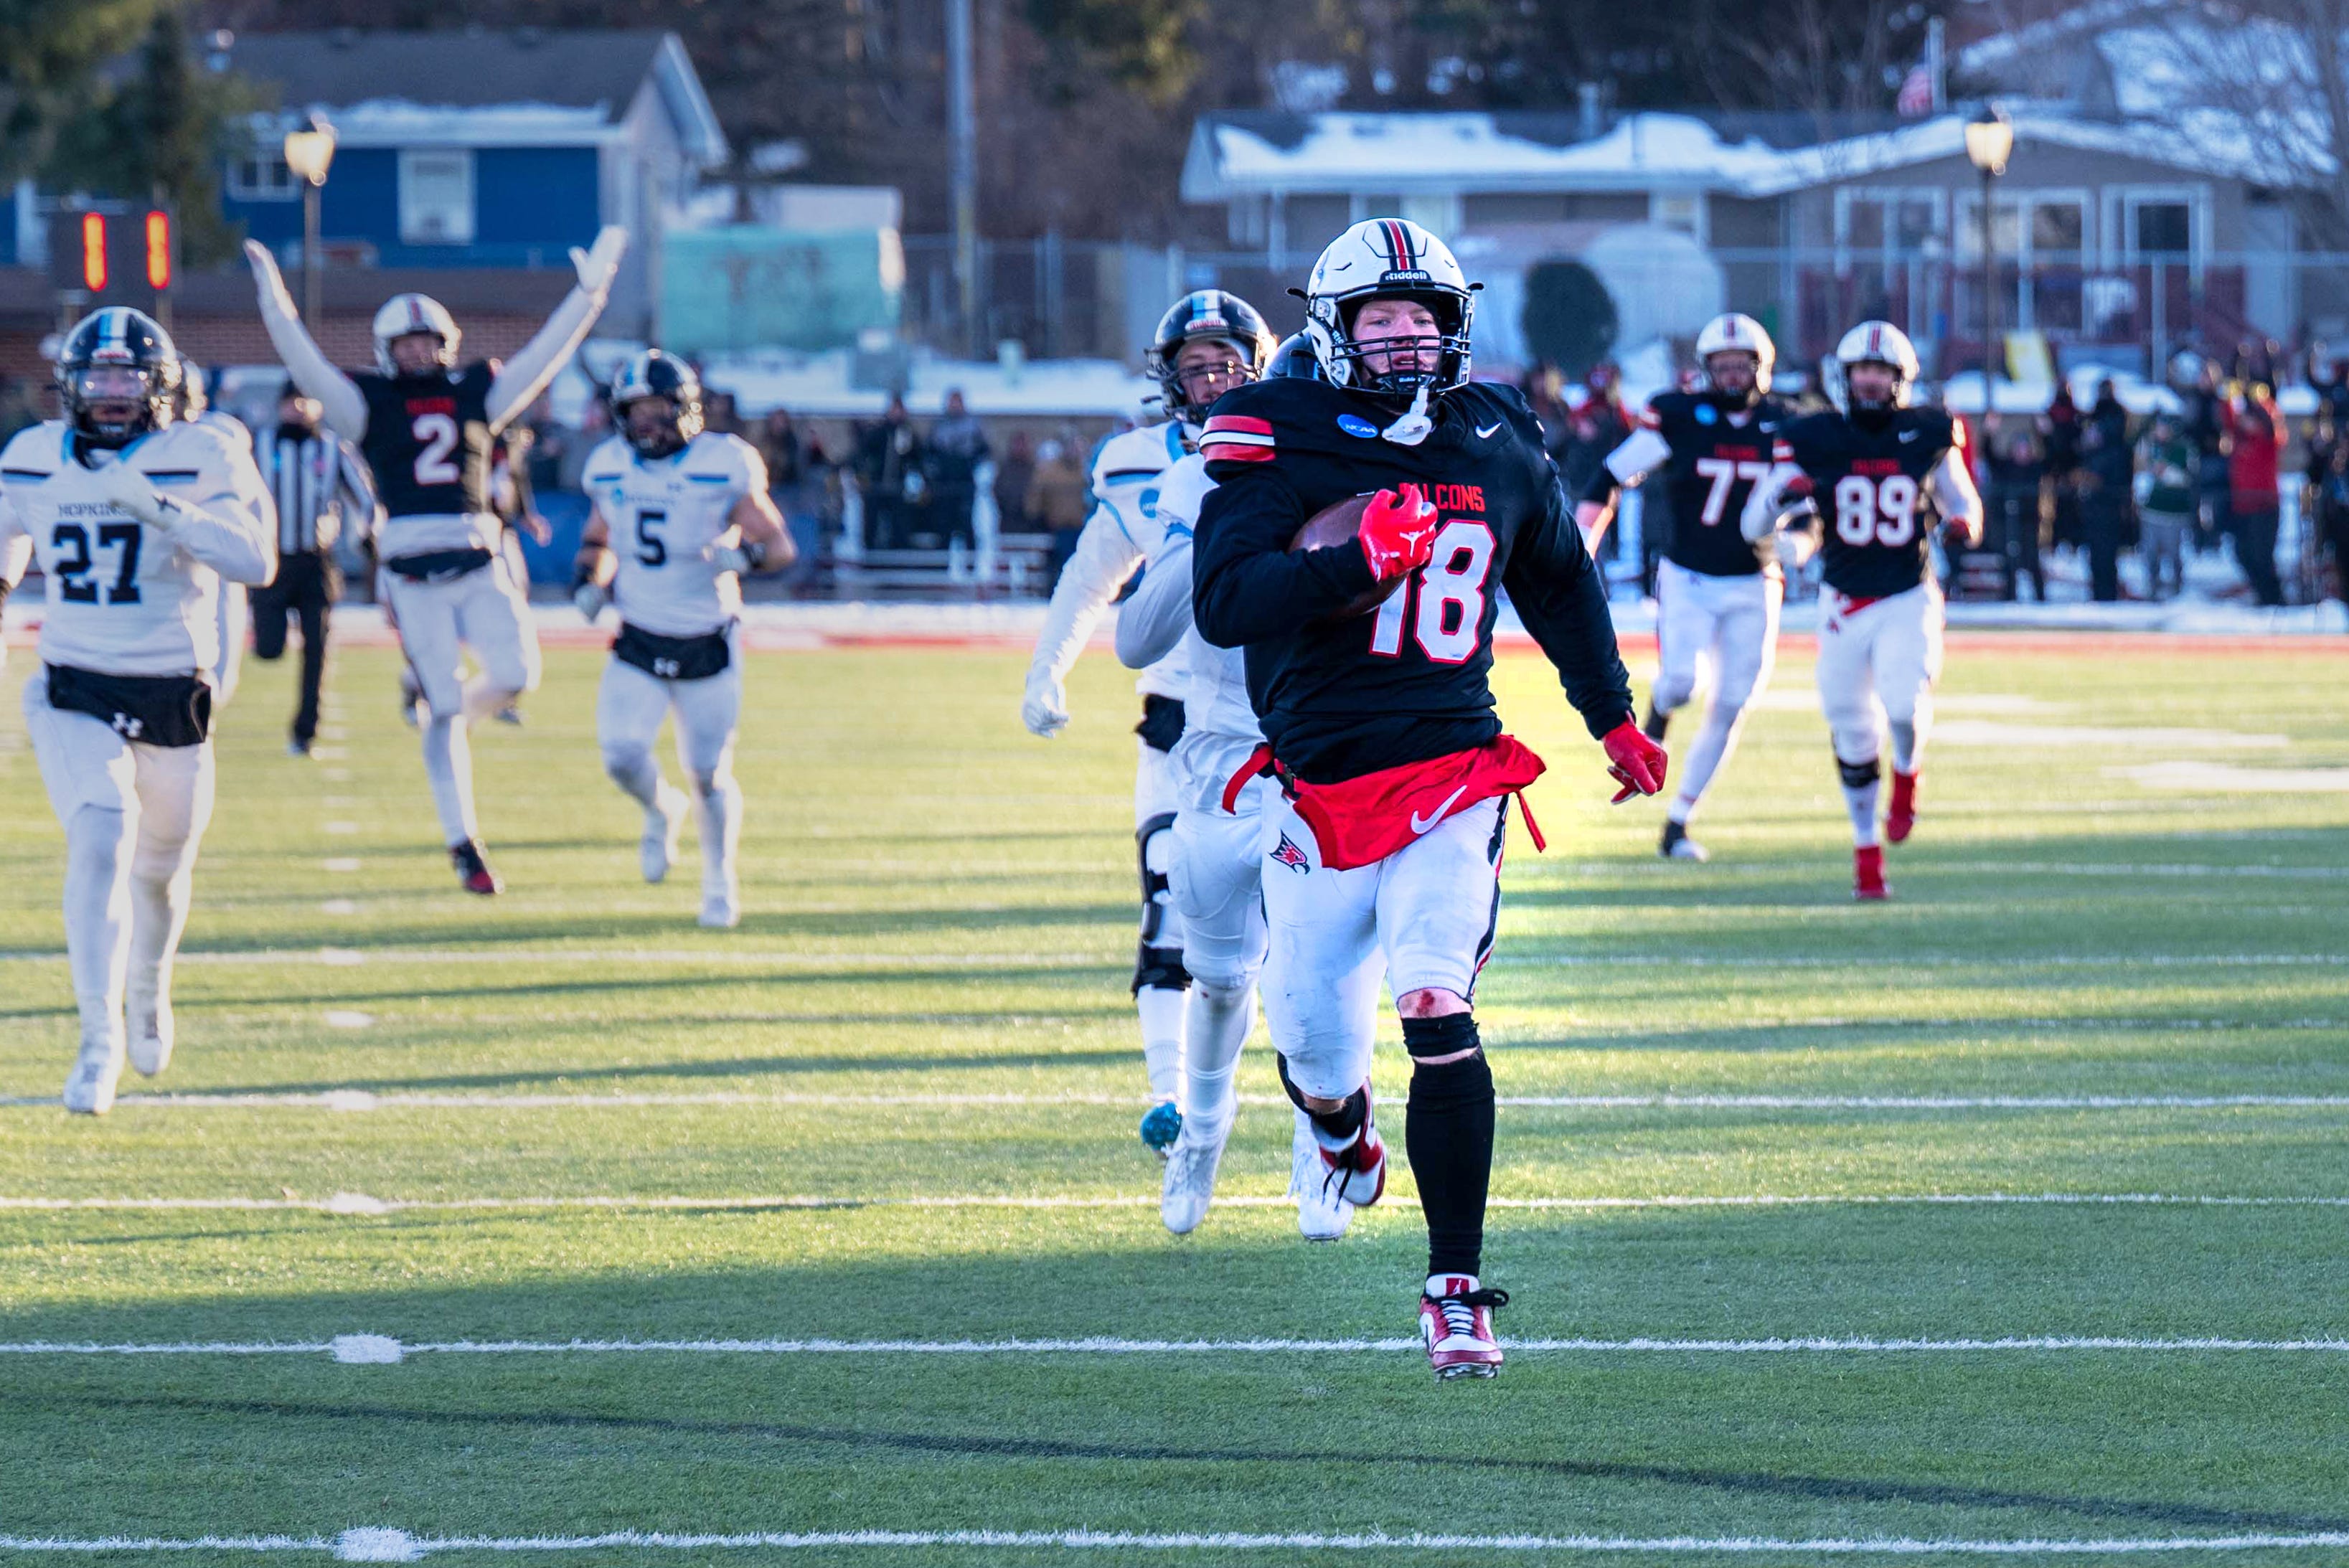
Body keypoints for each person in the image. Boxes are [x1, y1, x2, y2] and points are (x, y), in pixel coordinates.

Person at [1192, 219, 1663, 1379]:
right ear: (1334, 330)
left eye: (1422, 321)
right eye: (1380, 323)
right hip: (1315, 790)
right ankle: (1340, 1137)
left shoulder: (1495, 435)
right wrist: (1353, 563)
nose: (1404, 343)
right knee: (1310, 1048)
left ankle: (1454, 1289)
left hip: (1452, 771)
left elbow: (1558, 574)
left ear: (1452, 330)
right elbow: (1223, 599)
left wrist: (1609, 712)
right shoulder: (1278, 425)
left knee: (1431, 1000)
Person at [245, 226, 626, 894]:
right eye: (406, 343)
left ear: (445, 345)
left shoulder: (481, 392)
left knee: (516, 675)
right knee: (447, 707)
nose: (418, 352)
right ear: (387, 352)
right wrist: (276, 306)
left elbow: (544, 357)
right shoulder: (367, 404)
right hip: (412, 570)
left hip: (480, 558)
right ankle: (463, 842)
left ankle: (441, 718)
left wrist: (588, 298)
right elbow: (306, 365)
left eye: (427, 341)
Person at [0, 307, 276, 1114]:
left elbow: (255, 558)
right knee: (100, 833)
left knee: (160, 872)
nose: (112, 393)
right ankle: (97, 1039)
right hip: (75, 684)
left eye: (128, 377)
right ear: (72, 386)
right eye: (99, 377)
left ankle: (148, 987)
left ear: (159, 387)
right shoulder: (29, 456)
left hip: (171, 692)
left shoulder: (202, 453)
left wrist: (158, 506)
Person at [1112, 293, 1347, 1241]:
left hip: (1323, 764)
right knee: (1216, 980)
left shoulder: (1358, 487)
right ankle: (1202, 1134)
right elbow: (1136, 636)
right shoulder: (1198, 486)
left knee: (1316, 971)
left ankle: (1319, 1144)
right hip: (1215, 765)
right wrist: (1218, 520)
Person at [1022, 290, 1275, 1158]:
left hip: (1282, 722)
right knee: (1168, 906)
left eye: (1227, 364)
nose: (1211, 381)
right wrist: (1045, 668)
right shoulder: (1136, 464)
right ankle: (1171, 1097)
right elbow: (1091, 578)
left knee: (1293, 927)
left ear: (1259, 363)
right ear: (1169, 380)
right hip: (1177, 727)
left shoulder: (1298, 439)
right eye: (1196, 368)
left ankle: (1321, 1108)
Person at [1742, 321, 1981, 901]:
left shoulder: (1926, 429)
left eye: (1882, 371)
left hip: (1907, 592)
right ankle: (1865, 854)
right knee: (1851, 731)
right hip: (1843, 599)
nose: (1871, 380)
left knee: (1903, 706)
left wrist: (1963, 522)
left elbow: (1962, 496)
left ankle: (1907, 774)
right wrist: (1781, 496)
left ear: (1901, 380)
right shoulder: (1813, 436)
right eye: (1862, 371)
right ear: (1845, 378)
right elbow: (1753, 527)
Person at [574, 351, 793, 929]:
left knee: (708, 773)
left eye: (656, 409)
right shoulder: (610, 467)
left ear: (684, 409)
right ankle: (660, 807)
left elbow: (780, 546)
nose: (646, 422)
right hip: (640, 636)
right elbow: (599, 538)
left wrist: (743, 555)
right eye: (636, 411)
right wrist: (590, 582)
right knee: (621, 755)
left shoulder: (723, 463)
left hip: (707, 639)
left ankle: (720, 880)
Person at [1576, 313, 1791, 862]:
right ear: (1706, 369)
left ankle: (1678, 822)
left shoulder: (1786, 424)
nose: (1733, 375)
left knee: (1732, 705)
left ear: (1760, 369)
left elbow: (1815, 496)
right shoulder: (1679, 416)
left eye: (1742, 364)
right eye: (1723, 365)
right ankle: (1654, 727)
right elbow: (1611, 475)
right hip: (1689, 577)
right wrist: (1582, 545)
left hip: (1756, 580)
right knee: (1680, 682)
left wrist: (1808, 538)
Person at [253, 382, 379, 755]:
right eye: (292, 403)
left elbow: (366, 497)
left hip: (316, 561)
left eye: (305, 402)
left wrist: (368, 535)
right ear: (280, 407)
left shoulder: (333, 449)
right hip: (272, 562)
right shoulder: (258, 447)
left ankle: (305, 731)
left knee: (317, 648)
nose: (299, 409)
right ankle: (273, 643)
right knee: (269, 648)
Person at [174, 357, 270, 709]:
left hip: (215, 566)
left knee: (216, 679)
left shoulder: (219, 435)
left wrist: (260, 548)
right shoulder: (132, 440)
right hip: (156, 567)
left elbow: (257, 502)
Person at [2223, 383, 2287, 606]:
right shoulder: (2240, 440)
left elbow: (2275, 426)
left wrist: (2263, 401)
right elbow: (2230, 417)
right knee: (2242, 553)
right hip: (2243, 506)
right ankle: (2263, 596)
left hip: (2265, 506)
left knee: (2263, 557)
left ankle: (2274, 600)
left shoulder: (2268, 442)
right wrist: (2230, 395)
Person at [1980, 413, 2047, 602]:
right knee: (2008, 563)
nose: (2022, 451)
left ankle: (2040, 599)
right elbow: (1988, 455)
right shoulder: (2005, 467)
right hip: (2007, 523)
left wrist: (2043, 433)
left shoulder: (2034, 469)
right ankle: (2008, 599)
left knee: (2032, 562)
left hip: (2028, 522)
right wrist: (1988, 432)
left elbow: (2053, 457)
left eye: (2025, 447)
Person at [2077, 379, 2134, 603]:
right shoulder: (2093, 423)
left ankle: (2107, 594)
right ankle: (2099, 593)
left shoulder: (2116, 444)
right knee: (2095, 554)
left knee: (2107, 552)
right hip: (2093, 505)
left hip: (2109, 503)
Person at [2135, 414, 2195, 602]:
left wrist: (2168, 472)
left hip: (2174, 511)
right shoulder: (2151, 446)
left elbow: (2189, 477)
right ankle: (2153, 585)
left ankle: (2177, 587)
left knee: (2173, 551)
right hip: (2153, 508)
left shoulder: (2183, 449)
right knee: (2151, 551)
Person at [855, 395, 925, 551]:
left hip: (898, 488)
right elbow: (862, 455)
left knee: (900, 525)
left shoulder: (908, 434)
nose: (897, 413)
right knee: (872, 524)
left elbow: (916, 458)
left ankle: (898, 557)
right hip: (877, 486)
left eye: (899, 410)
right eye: (894, 410)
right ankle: (871, 558)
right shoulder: (877, 433)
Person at [926, 388, 989, 550]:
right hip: (944, 481)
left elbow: (983, 450)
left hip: (964, 481)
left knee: (966, 523)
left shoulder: (973, 425)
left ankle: (971, 564)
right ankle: (940, 564)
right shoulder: (939, 425)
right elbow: (931, 450)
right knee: (943, 523)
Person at [1025, 437, 1089, 587]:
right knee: (1064, 562)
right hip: (1060, 527)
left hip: (1082, 526)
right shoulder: (1051, 473)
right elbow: (1035, 500)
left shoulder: (1086, 472)